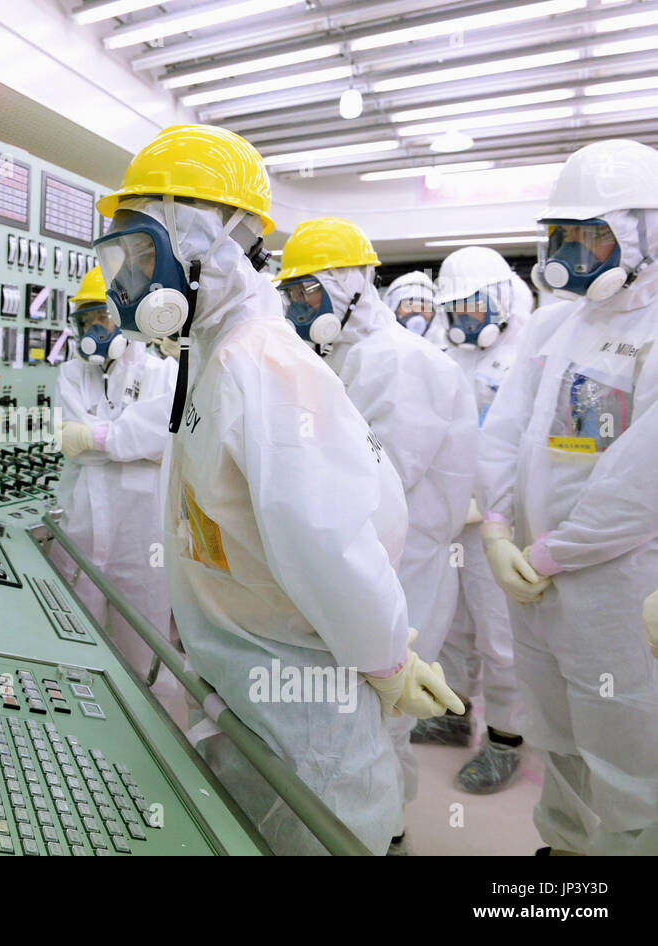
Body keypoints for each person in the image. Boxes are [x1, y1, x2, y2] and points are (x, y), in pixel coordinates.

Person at [92, 124, 462, 856]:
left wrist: (388, 663)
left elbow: (329, 546)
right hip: (250, 683)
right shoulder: (216, 351)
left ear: (206, 249)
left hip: (302, 710)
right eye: (121, 257)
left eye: (143, 255)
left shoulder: (263, 365)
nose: (126, 280)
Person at [478, 138, 658, 855]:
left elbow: (640, 482)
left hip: (614, 586)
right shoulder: (555, 324)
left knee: (625, 744)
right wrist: (495, 525)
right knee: (555, 732)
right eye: (562, 236)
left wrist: (553, 551)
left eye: (593, 235)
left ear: (645, 231)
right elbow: (505, 431)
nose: (573, 254)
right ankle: (566, 857)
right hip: (532, 578)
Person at [277, 219, 477, 845]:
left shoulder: (401, 362)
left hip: (404, 566)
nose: (300, 309)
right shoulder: (348, 358)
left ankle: (385, 833)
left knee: (382, 716)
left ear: (349, 286)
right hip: (370, 562)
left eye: (310, 293)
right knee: (360, 712)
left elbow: (378, 476)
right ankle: (375, 828)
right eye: (293, 297)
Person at [415, 246, 532, 794]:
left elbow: (520, 447)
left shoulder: (528, 355)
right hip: (450, 522)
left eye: (475, 308)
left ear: (504, 300)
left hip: (496, 525)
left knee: (499, 633)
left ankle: (507, 737)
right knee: (453, 625)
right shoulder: (447, 356)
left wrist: (493, 510)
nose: (466, 320)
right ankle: (455, 713)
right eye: (456, 310)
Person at [50, 267, 184, 726]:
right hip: (82, 534)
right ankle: (82, 741)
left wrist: (96, 437)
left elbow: (159, 436)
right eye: (85, 321)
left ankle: (165, 752)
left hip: (141, 542)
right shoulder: (70, 374)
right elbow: (83, 451)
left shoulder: (161, 372)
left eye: (101, 319)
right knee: (74, 649)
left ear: (123, 319)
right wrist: (121, 442)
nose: (93, 331)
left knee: (148, 656)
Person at [384, 270, 446, 345]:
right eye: (409, 306)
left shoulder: (444, 352)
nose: (417, 311)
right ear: (392, 308)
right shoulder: (378, 348)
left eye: (424, 307)